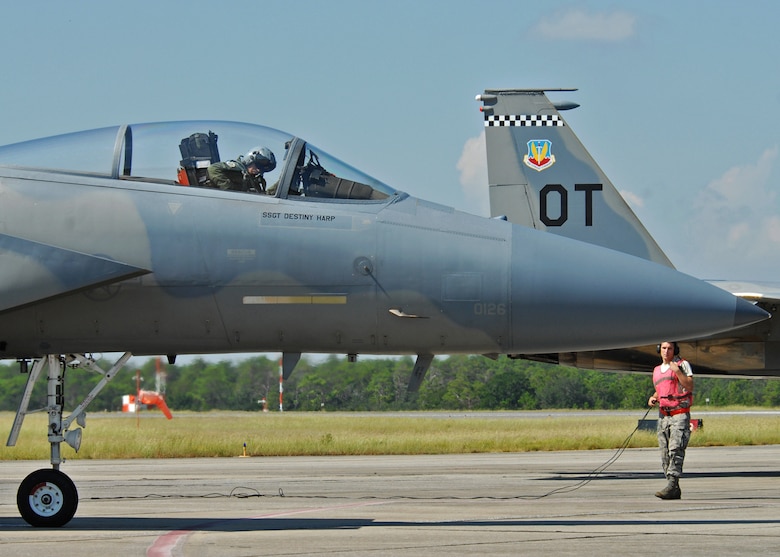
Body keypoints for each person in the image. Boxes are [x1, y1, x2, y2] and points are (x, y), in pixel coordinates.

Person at [648, 341, 694, 500]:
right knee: (665, 452)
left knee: (676, 448)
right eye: (664, 348)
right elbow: (661, 389)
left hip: (679, 413)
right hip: (663, 415)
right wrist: (653, 397)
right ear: (659, 350)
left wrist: (678, 372)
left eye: (670, 348)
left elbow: (689, 386)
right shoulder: (656, 370)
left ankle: (672, 484)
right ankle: (673, 487)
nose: (666, 351)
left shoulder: (682, 365)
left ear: (675, 350)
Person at [206, 146, 276, 192]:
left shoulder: (255, 182)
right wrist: (229, 190)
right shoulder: (237, 169)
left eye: (262, 169)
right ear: (250, 160)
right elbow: (213, 169)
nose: (258, 170)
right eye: (258, 165)